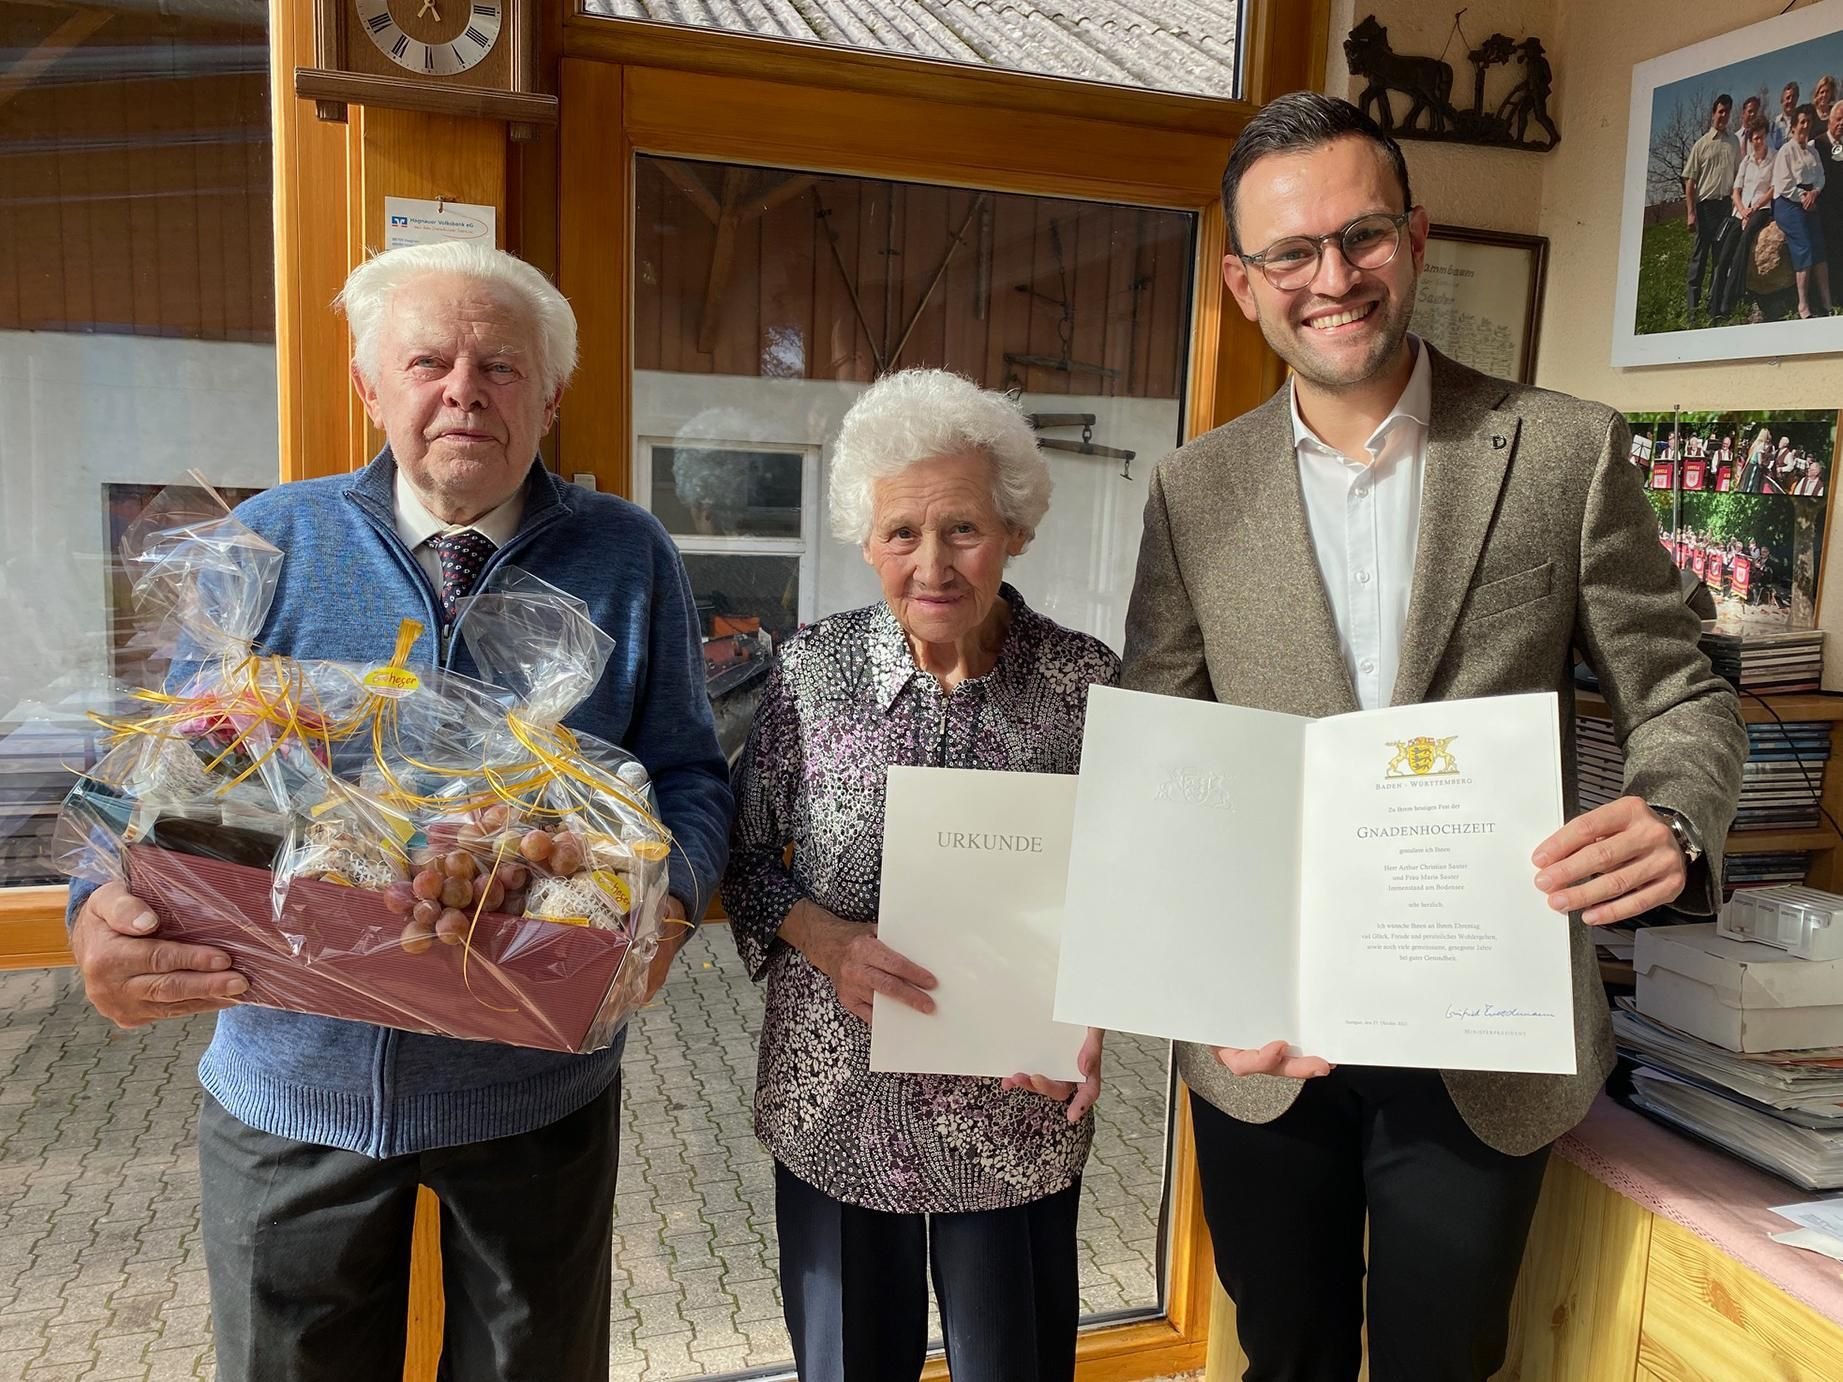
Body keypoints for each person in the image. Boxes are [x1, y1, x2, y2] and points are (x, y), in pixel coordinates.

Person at [1123, 92, 1746, 1382]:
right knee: (1284, 1353)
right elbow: (1166, 755)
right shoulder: (1193, 490)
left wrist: (1676, 814)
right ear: (1242, 283)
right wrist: (1199, 981)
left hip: (1484, 1029)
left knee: (1444, 1361)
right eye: (1291, 253)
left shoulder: (1564, 451)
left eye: (1360, 235)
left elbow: (1679, 690)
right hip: (1266, 1037)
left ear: (1413, 237)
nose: (1332, 278)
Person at [66, 240, 734, 1380]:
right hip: (290, 1088)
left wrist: (667, 901)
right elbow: (162, 773)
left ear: (550, 397)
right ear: (369, 386)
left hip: (535, 1089)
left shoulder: (627, 555)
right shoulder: (272, 541)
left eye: (501, 366)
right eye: (429, 361)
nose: (465, 391)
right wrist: (96, 906)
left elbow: (687, 773)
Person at [722, 368, 1115, 1382]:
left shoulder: (1084, 684)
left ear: (1015, 529)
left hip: (1013, 1101)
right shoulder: (810, 673)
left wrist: (1097, 1008)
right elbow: (744, 858)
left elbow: (1127, 891)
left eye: (962, 529)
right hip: (835, 1102)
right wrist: (825, 939)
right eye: (901, 532)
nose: (931, 563)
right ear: (867, 540)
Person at [1682, 93, 1740, 321]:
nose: (1724, 116)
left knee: (1720, 259)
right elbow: (1690, 182)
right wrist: (1690, 213)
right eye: (1720, 111)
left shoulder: (1734, 142)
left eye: (1727, 112)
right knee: (1700, 259)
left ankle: (1714, 307)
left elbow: (1738, 175)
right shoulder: (1701, 145)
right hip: (1705, 209)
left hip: (1725, 208)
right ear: (1713, 113)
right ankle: (1692, 311)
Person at [1773, 104, 1832, 318]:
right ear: (1794, 126)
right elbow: (1784, 185)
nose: (1805, 126)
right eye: (1802, 122)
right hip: (1787, 203)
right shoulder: (1786, 151)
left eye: (1808, 122)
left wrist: (1814, 193)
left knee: (1819, 246)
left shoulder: (1813, 150)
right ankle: (1803, 305)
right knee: (1804, 245)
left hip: (1809, 201)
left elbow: (1821, 177)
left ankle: (1827, 303)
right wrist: (1804, 197)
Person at [1713, 123, 1777, 318]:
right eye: (1755, 138)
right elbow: (1735, 191)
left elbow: (1773, 189)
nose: (1759, 142)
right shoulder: (1746, 161)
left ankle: (1729, 301)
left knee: (1744, 243)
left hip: (1761, 209)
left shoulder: (1774, 158)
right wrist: (1742, 210)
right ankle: (1714, 305)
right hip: (1741, 211)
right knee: (1725, 253)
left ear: (1767, 136)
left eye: (1762, 137)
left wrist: (1754, 208)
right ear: (1750, 140)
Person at [1819, 101, 1843, 311]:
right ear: (1830, 120)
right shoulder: (1817, 144)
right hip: (1822, 210)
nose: (1841, 123)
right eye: (1838, 119)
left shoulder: (1841, 146)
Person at [1742, 425, 1774, 491]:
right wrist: (1764, 464)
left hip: (1750, 466)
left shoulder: (1756, 443)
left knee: (1747, 484)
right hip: (1755, 467)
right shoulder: (1761, 445)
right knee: (1751, 485)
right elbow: (1759, 461)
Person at [1771, 80, 1800, 152]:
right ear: (1782, 100)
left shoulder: (1801, 122)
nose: (1790, 101)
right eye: (1788, 97)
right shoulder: (1773, 124)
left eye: (1793, 97)